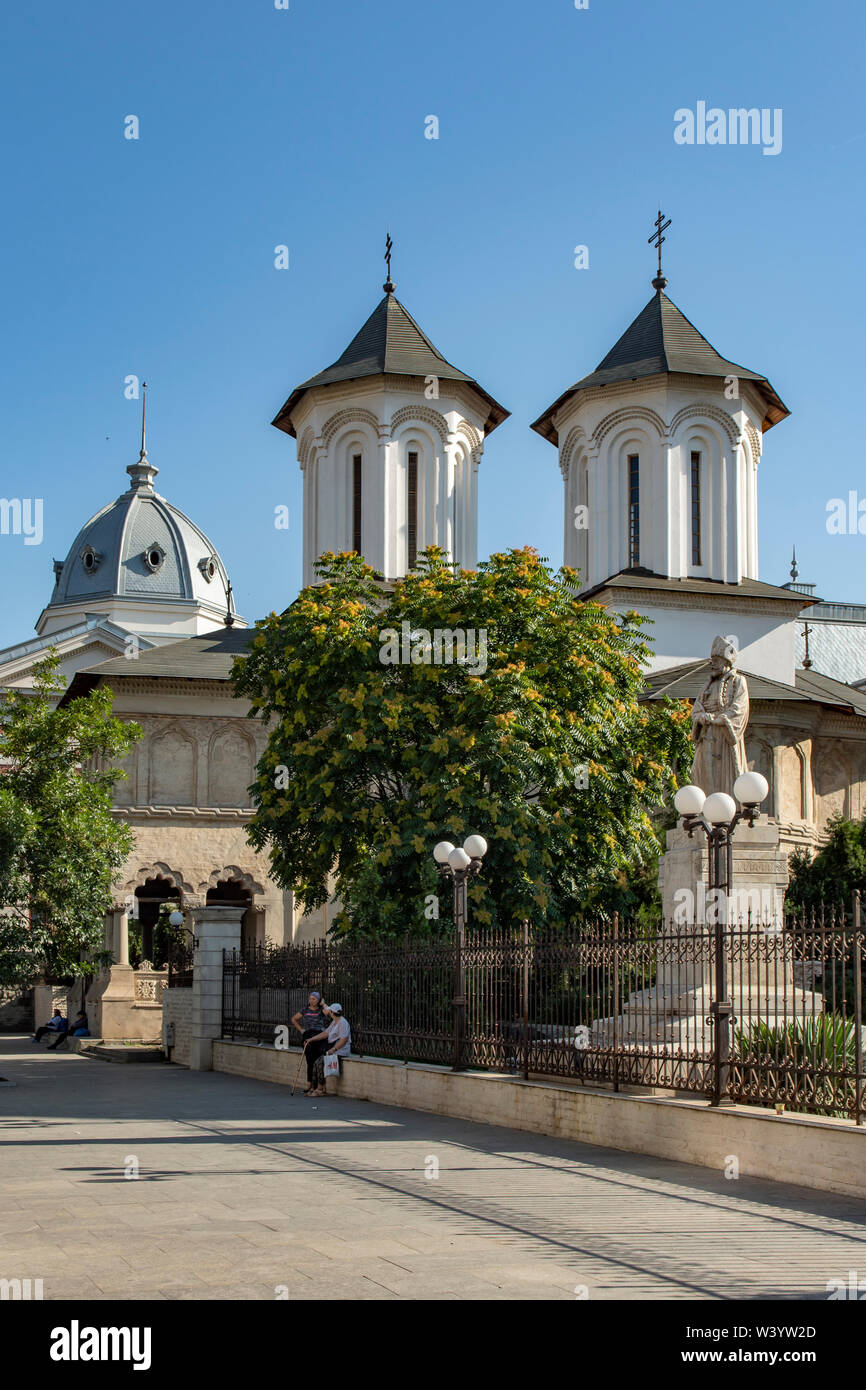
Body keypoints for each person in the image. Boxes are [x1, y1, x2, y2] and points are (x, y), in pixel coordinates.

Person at [305, 1003, 351, 1097]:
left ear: (331, 1012)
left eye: (329, 1011)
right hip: (333, 1049)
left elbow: (344, 1039)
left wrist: (334, 1049)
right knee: (316, 1062)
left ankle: (320, 1089)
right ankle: (314, 1088)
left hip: (341, 1051)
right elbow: (325, 1033)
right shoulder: (334, 1022)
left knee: (320, 1062)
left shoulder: (343, 1023)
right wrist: (311, 1039)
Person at [291, 990, 328, 1096]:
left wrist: (323, 1004)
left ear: (318, 1000)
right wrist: (301, 1030)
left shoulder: (321, 1010)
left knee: (317, 1060)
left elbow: (328, 1013)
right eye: (310, 998)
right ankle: (310, 1084)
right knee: (309, 1060)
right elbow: (294, 1019)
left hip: (318, 1036)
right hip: (307, 1035)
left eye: (314, 999)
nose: (311, 1001)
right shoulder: (305, 1010)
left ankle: (317, 1085)